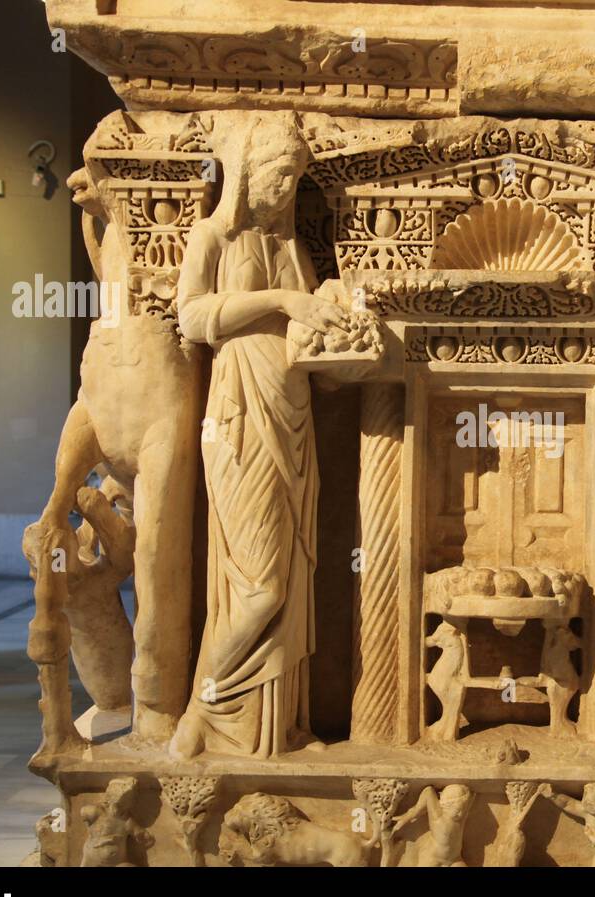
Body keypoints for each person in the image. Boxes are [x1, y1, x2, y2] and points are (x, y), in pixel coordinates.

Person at [168, 113, 348, 759]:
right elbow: (191, 317)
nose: (285, 189)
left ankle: (283, 728)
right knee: (259, 583)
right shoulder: (211, 236)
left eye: (295, 179)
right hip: (237, 417)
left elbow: (307, 343)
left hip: (294, 418)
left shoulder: (294, 251)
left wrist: (336, 333)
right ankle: (202, 709)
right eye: (277, 174)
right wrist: (283, 302)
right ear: (245, 172)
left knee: (292, 577)